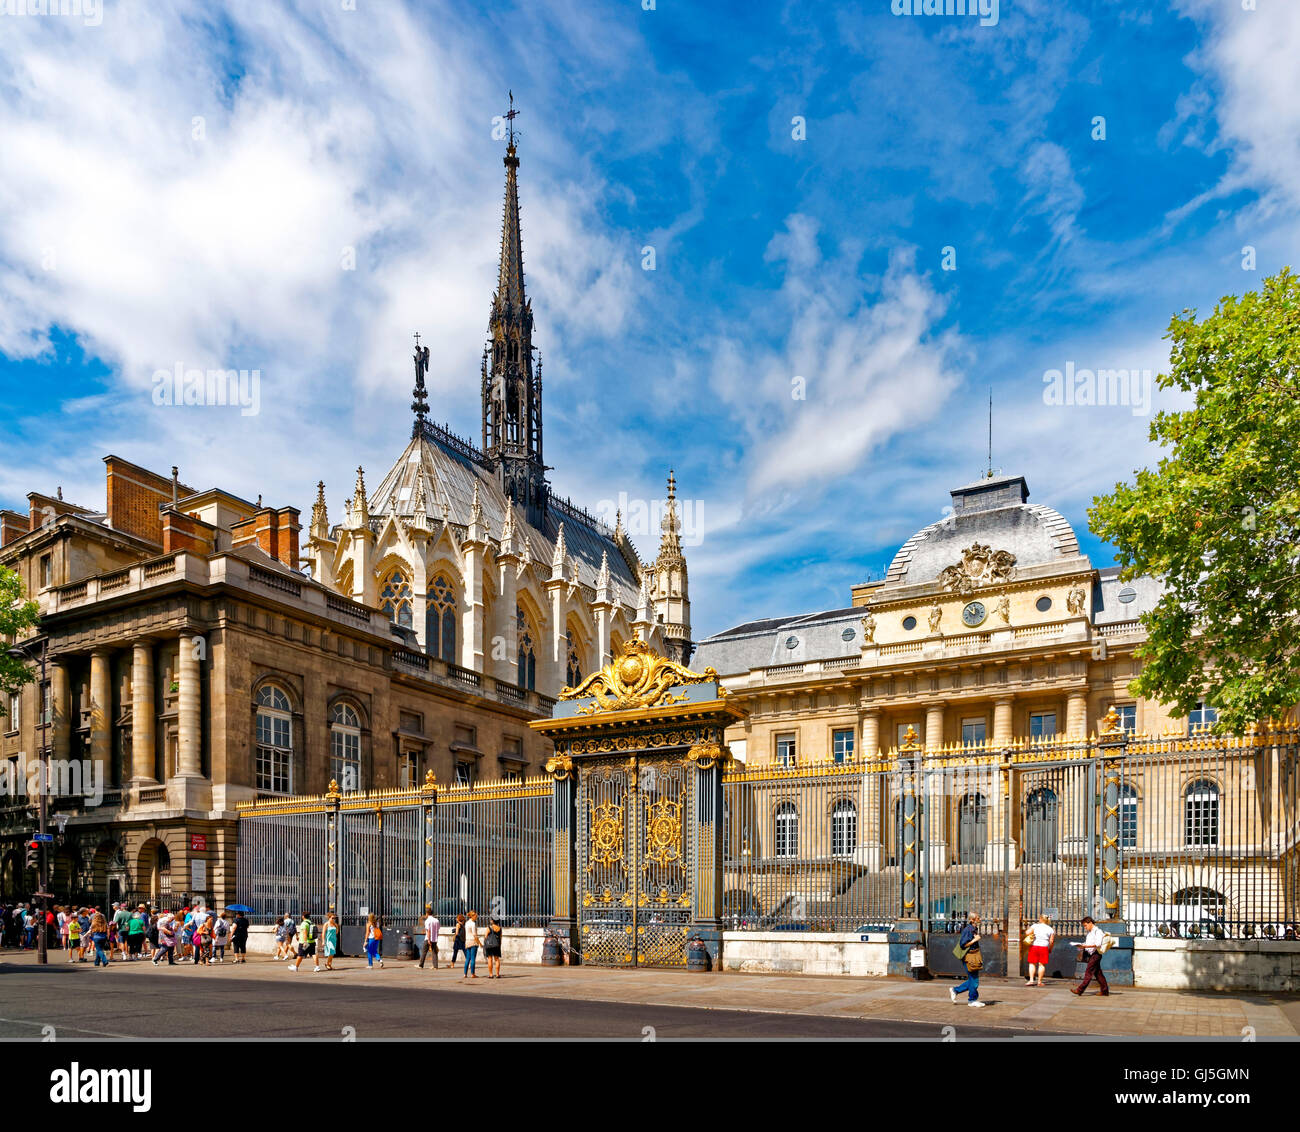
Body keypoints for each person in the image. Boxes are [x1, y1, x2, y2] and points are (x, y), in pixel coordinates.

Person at [949, 912, 986, 1008]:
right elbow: (963, 944)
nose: (980, 919)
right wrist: (975, 940)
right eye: (978, 917)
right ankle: (972, 1000)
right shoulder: (968, 930)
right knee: (974, 980)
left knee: (972, 980)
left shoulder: (973, 929)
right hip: (969, 957)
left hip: (974, 955)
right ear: (972, 920)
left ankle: (956, 990)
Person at [1071, 915, 1110, 997]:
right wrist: (1081, 945)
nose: (1085, 927)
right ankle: (1105, 990)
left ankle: (1080, 990)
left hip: (1096, 954)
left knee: (1088, 972)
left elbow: (1098, 944)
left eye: (1085, 925)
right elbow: (1088, 943)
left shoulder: (1097, 931)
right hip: (1091, 954)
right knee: (1098, 973)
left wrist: (1085, 946)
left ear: (1090, 923)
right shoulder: (1090, 933)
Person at [1024, 913, 1055, 987]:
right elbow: (1051, 941)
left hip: (1034, 946)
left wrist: (1032, 933)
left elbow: (1027, 933)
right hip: (1044, 947)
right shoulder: (1050, 929)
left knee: (1032, 963)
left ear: (1040, 919)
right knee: (1041, 965)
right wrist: (1050, 949)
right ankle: (1039, 982)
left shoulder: (1035, 926)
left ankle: (1031, 980)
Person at [418, 905, 440, 970]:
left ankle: (421, 965)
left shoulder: (427, 921)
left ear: (427, 913)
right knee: (434, 952)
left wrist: (429, 940)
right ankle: (435, 966)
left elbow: (428, 931)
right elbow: (438, 930)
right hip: (435, 938)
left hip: (428, 938)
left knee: (424, 951)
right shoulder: (436, 920)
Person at [462, 909, 480, 979]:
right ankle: (473, 973)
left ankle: (465, 974)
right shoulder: (473, 923)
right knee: (472, 958)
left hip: (467, 941)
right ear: (473, 916)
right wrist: (479, 943)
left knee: (467, 958)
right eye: (476, 916)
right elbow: (474, 934)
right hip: (473, 941)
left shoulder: (467, 923)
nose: (476, 917)